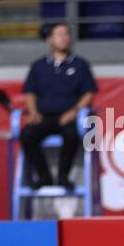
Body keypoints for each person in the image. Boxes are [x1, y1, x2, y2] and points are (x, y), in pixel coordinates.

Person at [19, 22, 98, 191]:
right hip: (44, 116)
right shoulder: (38, 66)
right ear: (50, 39)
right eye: (59, 34)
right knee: (27, 134)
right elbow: (29, 92)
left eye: (67, 34)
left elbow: (89, 92)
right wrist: (33, 112)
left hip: (68, 117)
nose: (64, 38)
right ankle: (44, 176)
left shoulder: (80, 65)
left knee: (72, 134)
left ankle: (63, 177)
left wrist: (74, 111)